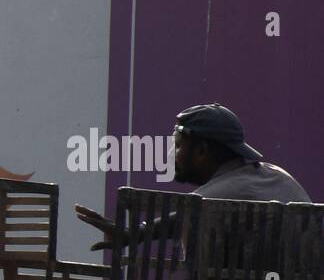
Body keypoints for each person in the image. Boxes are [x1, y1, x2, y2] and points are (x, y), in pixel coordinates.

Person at [75, 103, 309, 248]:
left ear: (201, 152)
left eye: (178, 146)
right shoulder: (276, 176)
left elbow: (181, 217)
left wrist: (130, 235)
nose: (172, 155)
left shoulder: (214, 195)